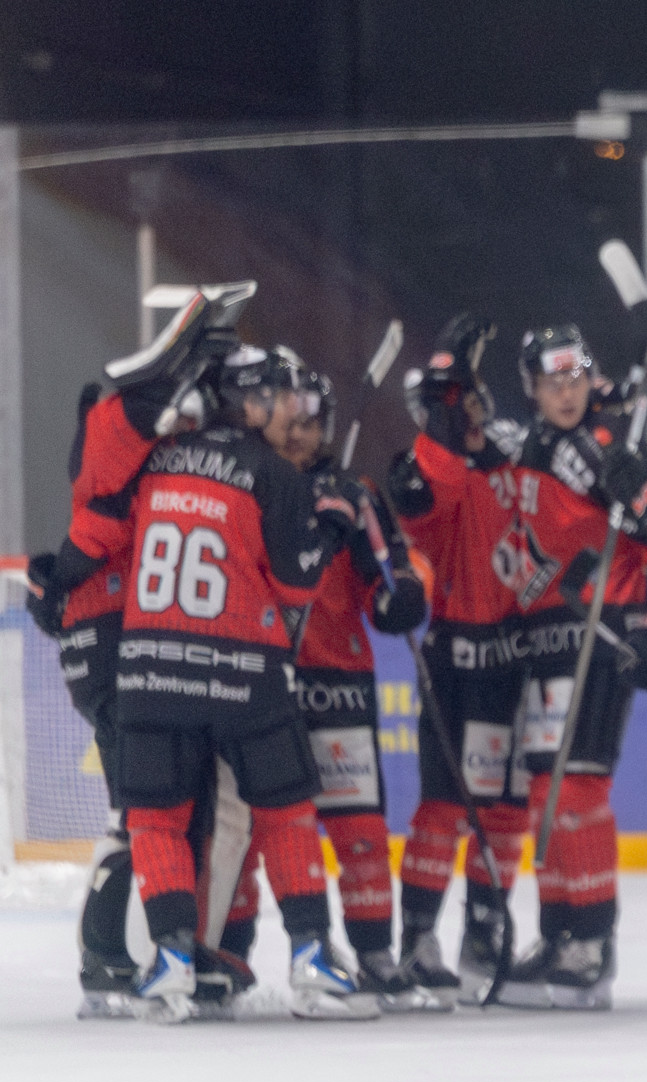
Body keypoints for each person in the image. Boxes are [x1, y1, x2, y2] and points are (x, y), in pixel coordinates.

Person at [104, 345, 367, 1022]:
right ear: (250, 403)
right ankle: (311, 954)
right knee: (283, 808)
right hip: (240, 664)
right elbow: (298, 580)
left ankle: (169, 958)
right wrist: (333, 523)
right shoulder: (269, 471)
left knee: (156, 818)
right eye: (278, 396)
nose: (289, 410)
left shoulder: (154, 456)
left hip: (149, 664)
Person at [24, 289, 248, 1017]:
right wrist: (185, 364)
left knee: (166, 806)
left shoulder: (137, 460)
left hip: (138, 644)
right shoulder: (107, 441)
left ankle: (154, 949)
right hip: (109, 646)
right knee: (141, 809)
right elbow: (102, 516)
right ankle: (103, 956)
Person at [219, 362, 434, 1010]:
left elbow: (389, 570)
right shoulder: (249, 481)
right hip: (265, 680)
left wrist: (403, 599)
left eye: (310, 424)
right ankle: (229, 955)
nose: (297, 435)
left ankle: (373, 952)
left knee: (359, 829)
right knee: (256, 831)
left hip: (340, 681)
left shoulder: (356, 490)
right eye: (287, 421)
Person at [498, 322, 647, 1009]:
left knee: (577, 793)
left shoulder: (601, 444)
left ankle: (592, 943)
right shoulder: (535, 443)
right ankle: (557, 934)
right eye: (553, 382)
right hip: (549, 630)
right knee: (545, 794)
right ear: (532, 388)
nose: (566, 392)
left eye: (576, 379)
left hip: (603, 631)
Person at [386, 314, 533, 1005]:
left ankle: (485, 927)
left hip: (512, 665)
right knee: (443, 807)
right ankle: (417, 936)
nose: (476, 411)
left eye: (477, 398)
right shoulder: (420, 471)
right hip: (454, 664)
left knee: (505, 810)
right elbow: (425, 501)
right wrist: (449, 384)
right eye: (459, 402)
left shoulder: (509, 457)